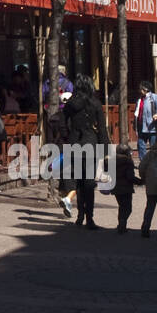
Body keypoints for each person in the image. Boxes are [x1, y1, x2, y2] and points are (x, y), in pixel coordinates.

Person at [64, 74, 110, 229]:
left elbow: (63, 123)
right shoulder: (95, 104)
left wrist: (67, 138)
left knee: (78, 181)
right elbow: (102, 129)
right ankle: (89, 218)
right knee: (89, 183)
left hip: (74, 143)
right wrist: (105, 150)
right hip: (90, 143)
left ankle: (80, 215)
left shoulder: (70, 103)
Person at [134, 81, 157, 172]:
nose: (139, 90)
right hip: (141, 126)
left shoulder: (154, 97)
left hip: (152, 127)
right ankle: (143, 163)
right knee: (141, 145)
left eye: (141, 88)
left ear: (145, 89)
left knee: (153, 146)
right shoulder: (140, 99)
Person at [112, 143, 136, 233]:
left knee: (121, 206)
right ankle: (122, 224)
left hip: (115, 188)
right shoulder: (128, 162)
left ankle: (121, 225)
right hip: (126, 188)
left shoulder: (112, 161)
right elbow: (130, 176)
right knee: (128, 208)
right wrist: (140, 181)